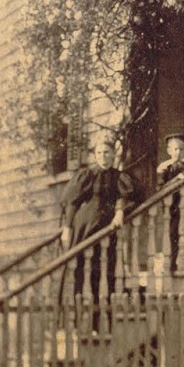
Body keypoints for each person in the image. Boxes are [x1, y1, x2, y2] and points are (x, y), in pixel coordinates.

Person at [60, 131, 135, 319]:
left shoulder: (120, 177)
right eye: (100, 153)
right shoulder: (87, 174)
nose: (103, 157)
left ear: (114, 155)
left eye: (107, 153)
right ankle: (78, 318)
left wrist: (119, 212)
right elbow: (72, 202)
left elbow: (124, 197)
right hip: (85, 227)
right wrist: (67, 228)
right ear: (95, 155)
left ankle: (103, 319)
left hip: (108, 228)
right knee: (81, 269)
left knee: (106, 269)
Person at [155, 133, 184, 273]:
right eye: (175, 149)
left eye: (181, 149)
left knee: (176, 231)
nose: (178, 152)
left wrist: (181, 177)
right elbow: (160, 186)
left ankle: (173, 262)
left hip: (182, 203)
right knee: (171, 233)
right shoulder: (164, 167)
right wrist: (171, 184)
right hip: (168, 204)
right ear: (169, 151)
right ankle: (170, 262)